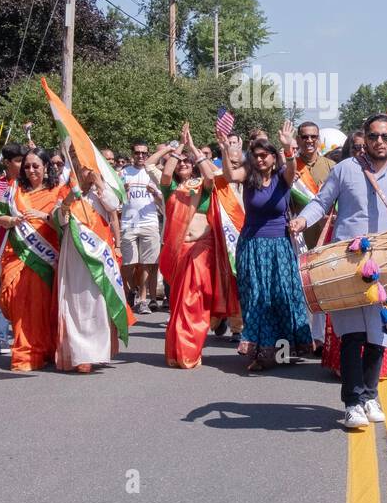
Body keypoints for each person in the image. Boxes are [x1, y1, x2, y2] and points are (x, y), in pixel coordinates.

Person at [290, 114, 387, 429]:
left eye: (386, 137)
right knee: (352, 336)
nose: (379, 142)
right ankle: (352, 403)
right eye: (374, 136)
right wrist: (303, 220)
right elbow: (321, 203)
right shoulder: (345, 169)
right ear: (366, 137)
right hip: (347, 262)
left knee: (379, 336)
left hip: (386, 263)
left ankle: (370, 395)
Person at [224, 123, 312, 371]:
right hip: (251, 246)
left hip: (280, 247)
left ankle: (282, 351)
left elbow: (293, 168)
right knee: (256, 298)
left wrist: (287, 145)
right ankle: (260, 352)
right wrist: (224, 149)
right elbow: (230, 175)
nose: (260, 159)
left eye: (265, 155)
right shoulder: (247, 177)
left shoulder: (282, 176)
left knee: (281, 297)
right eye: (256, 155)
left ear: (274, 158)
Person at [54, 143, 129, 373]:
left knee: (97, 301)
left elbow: (115, 206)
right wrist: (69, 200)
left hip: (99, 253)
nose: (86, 171)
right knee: (75, 301)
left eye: (90, 167)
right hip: (75, 253)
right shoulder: (66, 189)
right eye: (82, 166)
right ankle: (78, 353)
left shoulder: (101, 191)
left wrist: (98, 183)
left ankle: (96, 352)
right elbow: (58, 219)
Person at [0, 150, 70, 371]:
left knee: (40, 307)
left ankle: (36, 351)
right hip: (17, 253)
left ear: (46, 166)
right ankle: (28, 349)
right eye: (27, 166)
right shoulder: (14, 191)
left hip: (46, 258)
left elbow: (65, 224)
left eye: (36, 165)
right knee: (17, 303)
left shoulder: (58, 192)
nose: (31, 170)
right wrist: (11, 220)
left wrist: (44, 216)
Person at [160, 125, 219, 368]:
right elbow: (165, 174)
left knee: (193, 302)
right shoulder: (171, 189)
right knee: (177, 305)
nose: (183, 164)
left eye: (188, 161)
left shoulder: (202, 189)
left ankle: (189, 352)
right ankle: (176, 352)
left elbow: (212, 176)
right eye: (180, 162)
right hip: (178, 251)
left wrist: (194, 149)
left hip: (200, 251)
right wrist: (180, 148)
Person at [290, 121, 335, 352]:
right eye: (304, 137)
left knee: (321, 287)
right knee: (301, 287)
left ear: (319, 140)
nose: (309, 141)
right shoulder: (289, 167)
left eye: (313, 137)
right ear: (297, 139)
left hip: (325, 237)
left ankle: (319, 337)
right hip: (298, 237)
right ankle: (302, 334)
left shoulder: (331, 166)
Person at [0, 142, 24, 354]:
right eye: (19, 161)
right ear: (8, 163)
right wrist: (10, 220)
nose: (24, 165)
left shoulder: (30, 185)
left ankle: (22, 336)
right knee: (4, 292)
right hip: (4, 247)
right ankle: (0, 337)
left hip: (30, 249)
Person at [120, 141, 163, 315]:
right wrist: (122, 190)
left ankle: (143, 300)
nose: (140, 156)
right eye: (137, 153)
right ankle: (131, 291)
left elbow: (163, 201)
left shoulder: (153, 173)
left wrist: (155, 193)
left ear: (148, 154)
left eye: (144, 153)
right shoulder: (123, 173)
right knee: (129, 264)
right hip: (128, 224)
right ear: (132, 154)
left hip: (149, 222)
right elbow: (114, 199)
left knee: (147, 264)